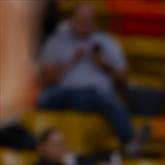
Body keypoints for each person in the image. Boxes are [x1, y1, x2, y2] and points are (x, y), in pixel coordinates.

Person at [36, 2, 139, 150]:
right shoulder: (56, 41)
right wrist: (70, 61)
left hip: (96, 94)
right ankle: (32, 142)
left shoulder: (106, 42)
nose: (85, 24)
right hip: (63, 93)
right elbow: (45, 79)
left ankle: (130, 142)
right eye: (81, 20)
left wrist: (102, 64)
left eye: (88, 20)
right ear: (71, 19)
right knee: (41, 99)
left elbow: (123, 78)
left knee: (109, 101)